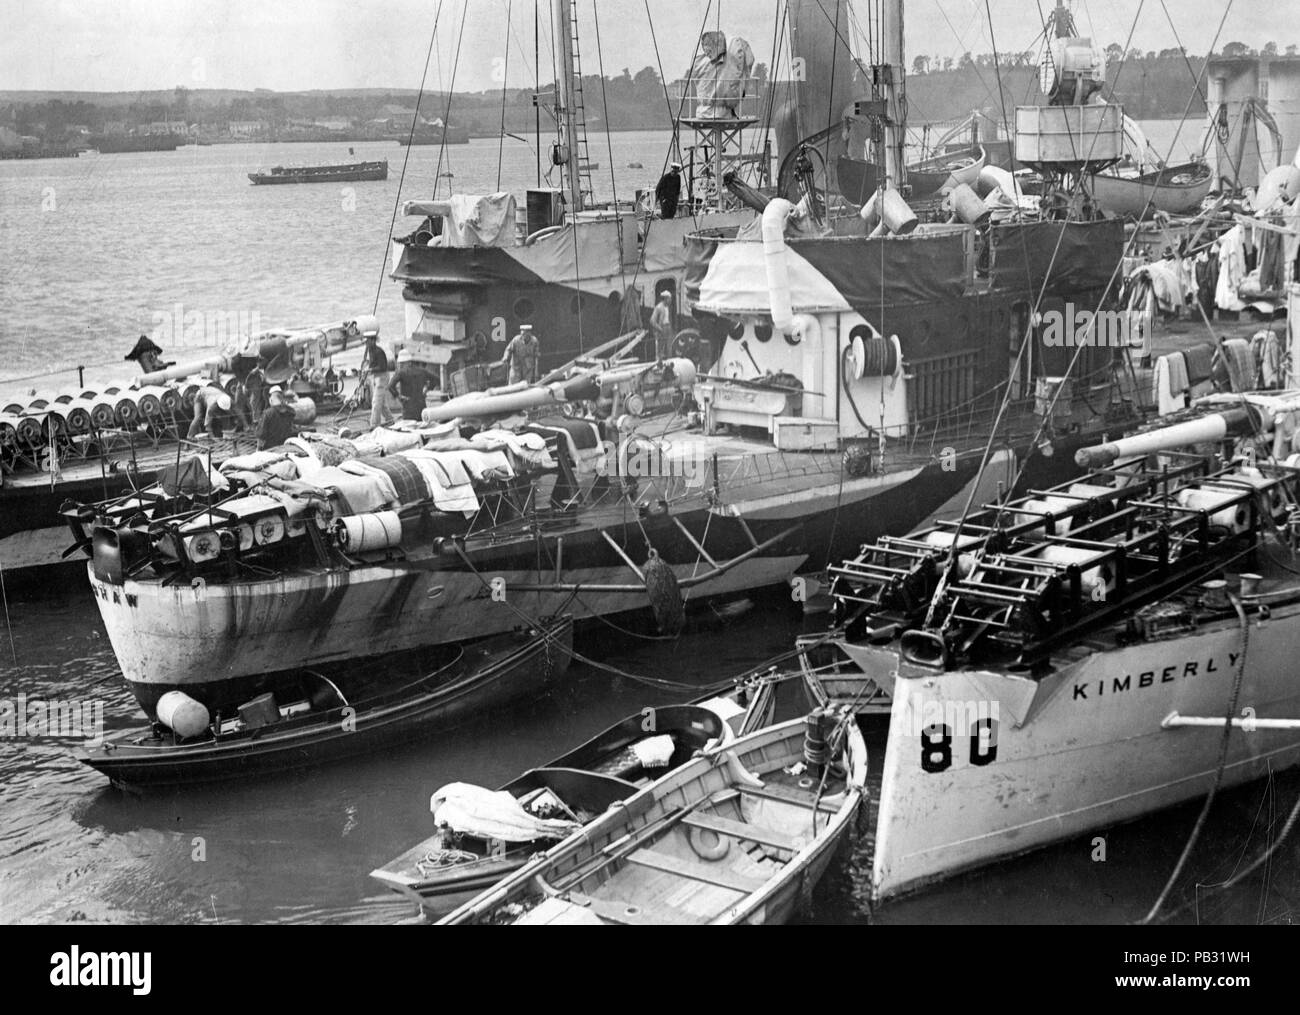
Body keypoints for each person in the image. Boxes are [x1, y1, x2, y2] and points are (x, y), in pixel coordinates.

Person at [387, 350, 438, 421]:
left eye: (401, 363)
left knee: (408, 428)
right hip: (421, 407)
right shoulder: (422, 371)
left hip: (408, 408)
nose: (400, 365)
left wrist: (398, 397)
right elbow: (436, 379)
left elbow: (390, 386)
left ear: (408, 362)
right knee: (422, 426)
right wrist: (427, 389)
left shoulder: (401, 372)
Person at [364, 334, 394, 429]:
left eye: (368, 341)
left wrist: (370, 370)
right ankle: (390, 420)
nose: (366, 344)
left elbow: (382, 367)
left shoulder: (379, 351)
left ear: (373, 341)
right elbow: (372, 363)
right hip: (376, 377)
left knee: (376, 402)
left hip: (382, 377)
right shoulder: (370, 350)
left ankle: (374, 425)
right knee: (382, 402)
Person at [650, 292, 676, 360]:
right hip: (662, 328)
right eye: (669, 299)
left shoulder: (667, 307)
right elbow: (652, 321)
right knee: (660, 349)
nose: (670, 300)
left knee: (669, 347)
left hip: (668, 328)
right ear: (665, 298)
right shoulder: (658, 307)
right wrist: (659, 329)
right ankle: (660, 363)